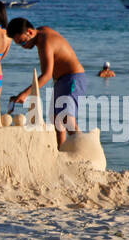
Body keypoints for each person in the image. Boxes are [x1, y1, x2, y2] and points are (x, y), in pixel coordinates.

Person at [7, 18, 86, 147]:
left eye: (23, 42)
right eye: (19, 44)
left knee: (67, 119)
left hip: (73, 78)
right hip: (62, 80)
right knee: (57, 120)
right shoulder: (41, 33)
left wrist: (25, 94)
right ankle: (62, 151)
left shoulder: (45, 41)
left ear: (30, 32)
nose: (23, 47)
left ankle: (84, 149)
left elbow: (47, 75)